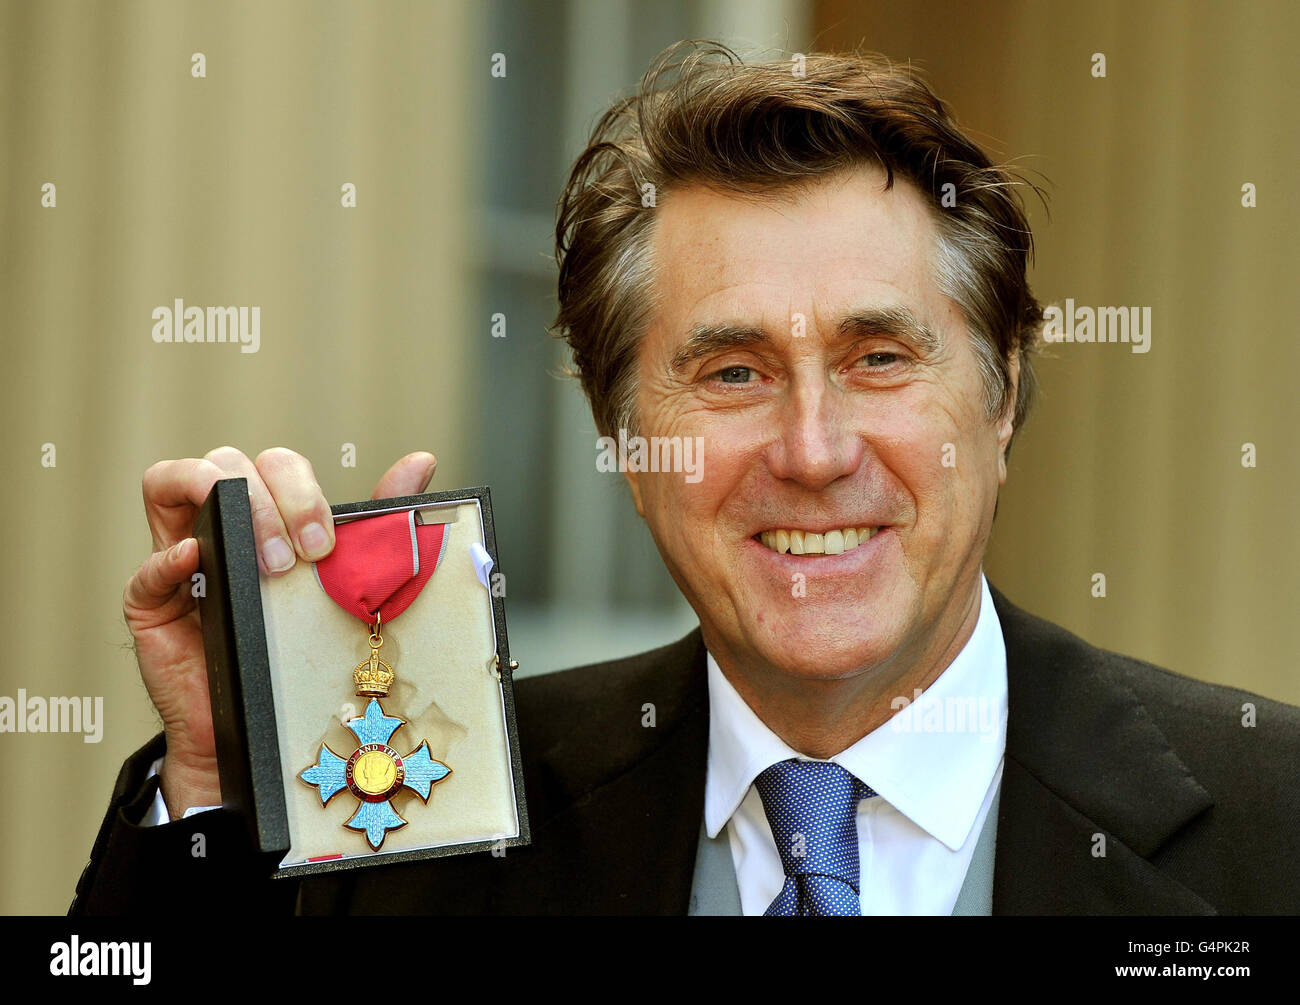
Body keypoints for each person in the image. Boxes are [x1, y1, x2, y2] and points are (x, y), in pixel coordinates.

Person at [72, 41, 1299, 916]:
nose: (813, 452)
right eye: (729, 374)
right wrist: (220, 795)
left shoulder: (1271, 822)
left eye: (879, 359)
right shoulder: (415, 824)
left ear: (1004, 396)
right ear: (618, 432)